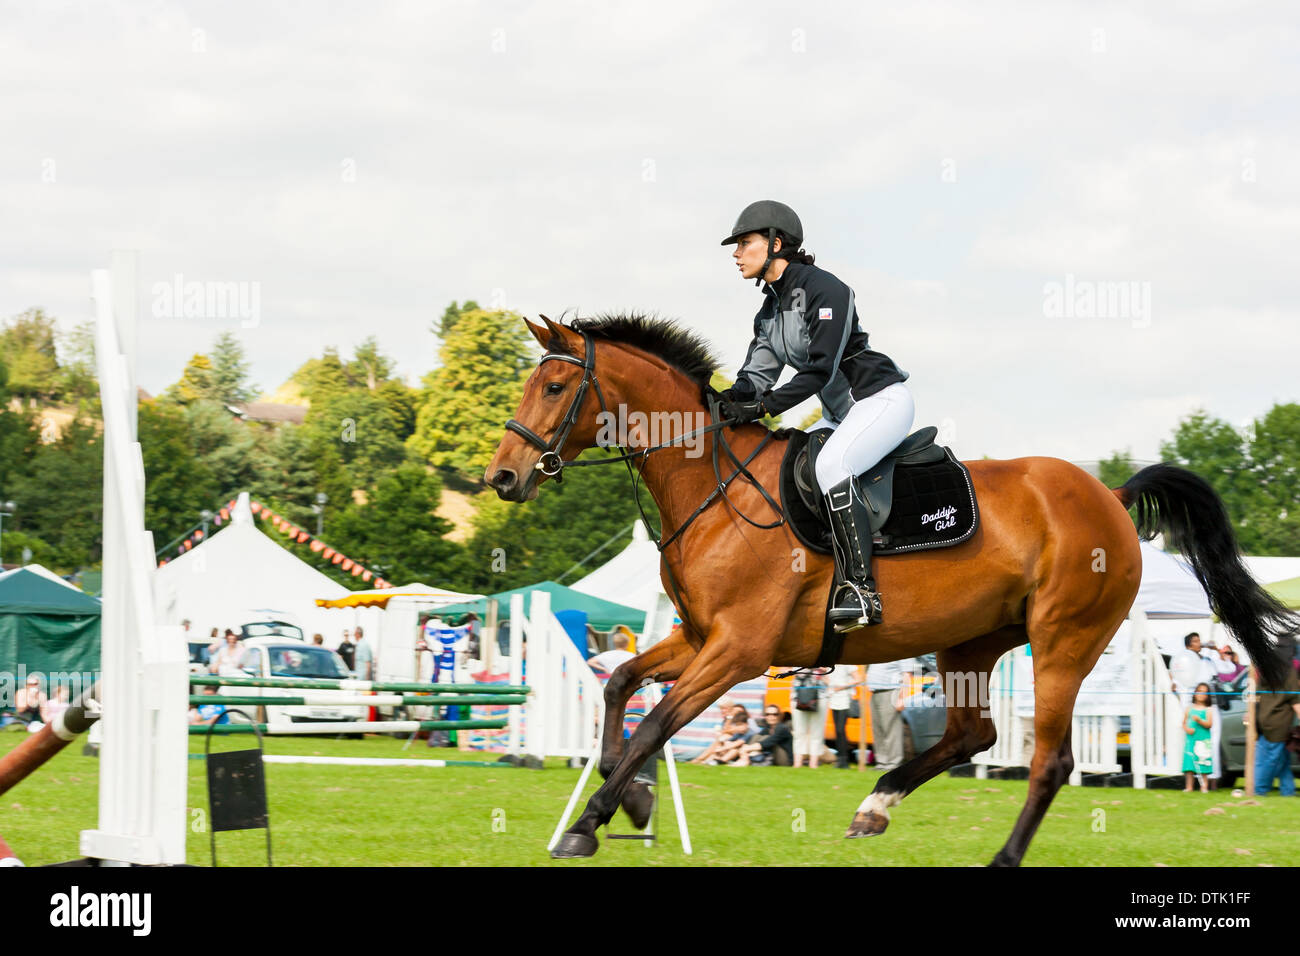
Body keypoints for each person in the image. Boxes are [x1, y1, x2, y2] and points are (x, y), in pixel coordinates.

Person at [717, 200, 912, 631]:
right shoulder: (769, 310)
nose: (735, 253)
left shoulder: (827, 289)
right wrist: (719, 403)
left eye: (744, 243)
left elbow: (820, 367)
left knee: (831, 465)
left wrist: (766, 407)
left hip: (878, 402)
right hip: (841, 415)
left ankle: (862, 590)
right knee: (791, 467)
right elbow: (755, 377)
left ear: (775, 243)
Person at [1253, 659, 1300, 797]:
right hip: (1277, 727)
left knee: (1282, 759)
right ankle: (1260, 790)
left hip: (1265, 724)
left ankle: (1288, 791)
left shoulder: (1266, 678)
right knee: (1269, 759)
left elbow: (1256, 699)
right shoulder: (1289, 680)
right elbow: (1297, 705)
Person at [867, 660, 907, 772]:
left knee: (891, 730)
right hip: (875, 693)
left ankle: (893, 763)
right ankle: (881, 762)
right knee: (878, 730)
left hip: (890, 692)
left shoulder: (902, 652)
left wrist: (902, 698)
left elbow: (907, 674)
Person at [790, 672, 829, 768]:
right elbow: (784, 669)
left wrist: (823, 673)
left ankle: (813, 763)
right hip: (798, 697)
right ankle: (797, 763)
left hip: (820, 697)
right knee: (799, 731)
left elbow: (830, 681)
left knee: (817, 732)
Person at [1182, 683, 1215, 793]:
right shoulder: (1189, 709)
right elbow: (1184, 723)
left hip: (1202, 740)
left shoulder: (1208, 710)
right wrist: (1187, 729)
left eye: (1204, 692)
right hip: (1191, 740)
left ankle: (1204, 786)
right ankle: (1189, 787)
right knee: (1190, 765)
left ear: (1207, 696)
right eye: (1199, 691)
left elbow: (1209, 724)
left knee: (1203, 763)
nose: (1201, 694)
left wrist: (1199, 721)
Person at [828, 664, 859, 768]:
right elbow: (829, 681)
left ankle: (844, 760)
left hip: (844, 699)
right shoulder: (831, 665)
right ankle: (840, 760)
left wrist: (841, 687)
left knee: (841, 730)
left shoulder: (848, 665)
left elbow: (857, 679)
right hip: (833, 699)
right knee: (837, 731)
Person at [1170, 632, 1213, 706]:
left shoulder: (1207, 660)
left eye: (1199, 641)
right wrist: (1174, 683)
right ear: (1188, 646)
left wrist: (1216, 649)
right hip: (1188, 700)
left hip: (1204, 699)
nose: (1199, 643)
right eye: (1195, 641)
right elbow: (1176, 677)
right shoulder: (1182, 660)